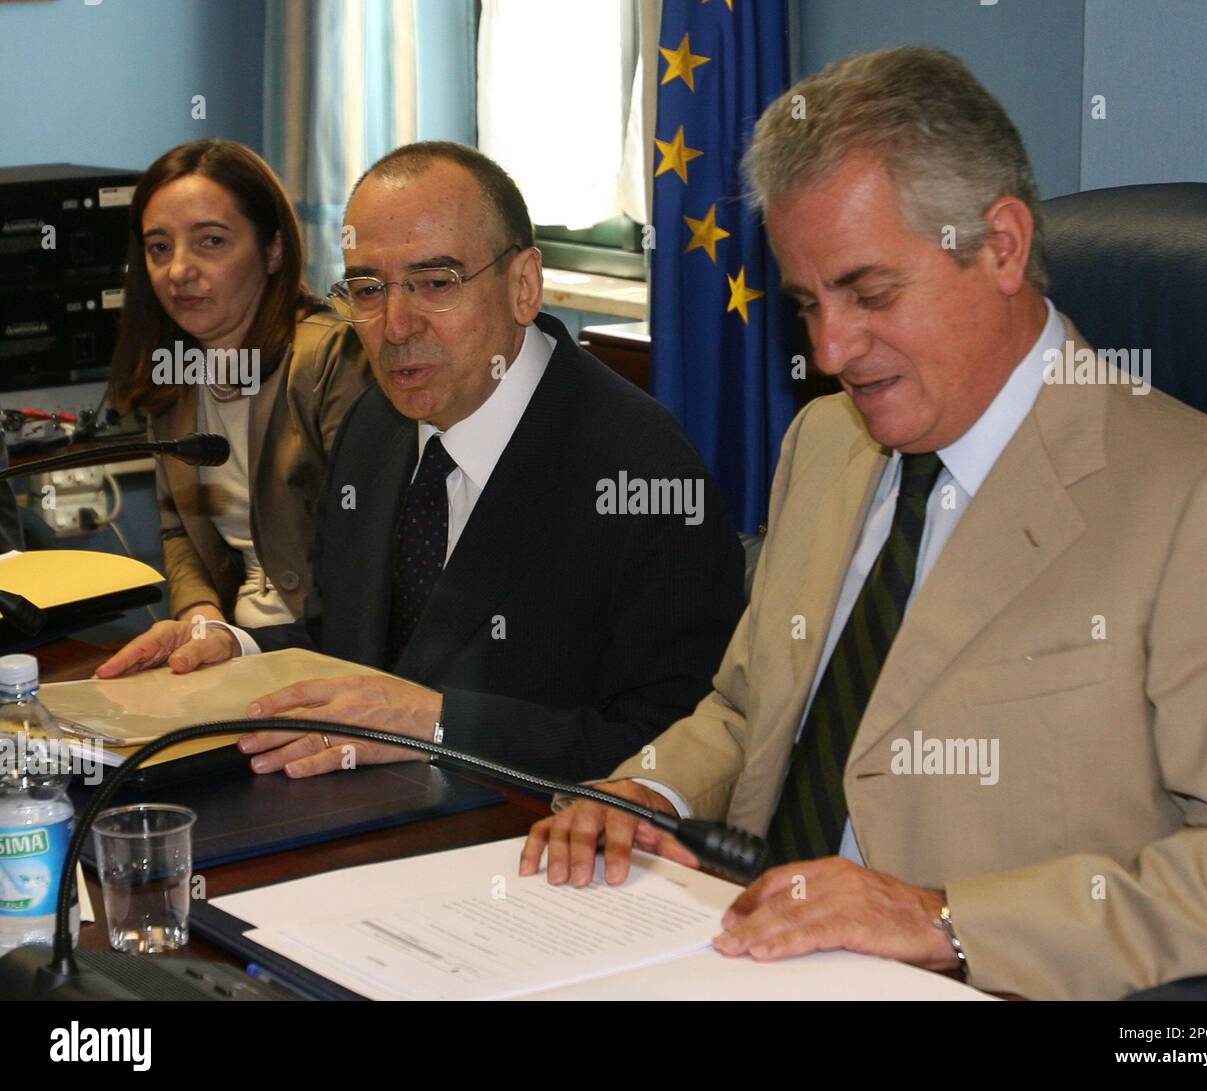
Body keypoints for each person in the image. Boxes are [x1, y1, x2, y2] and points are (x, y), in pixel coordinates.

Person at [521, 47, 1207, 1000]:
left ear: (1002, 245)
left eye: (870, 292)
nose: (830, 349)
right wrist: (649, 791)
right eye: (808, 303)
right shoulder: (823, 445)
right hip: (731, 954)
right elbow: (742, 707)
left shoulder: (1206, 501)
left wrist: (944, 920)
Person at [98, 141, 745, 782]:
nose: (396, 325)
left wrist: (440, 724)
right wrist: (232, 650)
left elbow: (670, 748)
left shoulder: (643, 471)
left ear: (524, 286)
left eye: (435, 283)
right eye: (368, 289)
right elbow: (351, 642)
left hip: (539, 849)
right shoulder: (379, 425)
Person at [98, 139, 371, 638]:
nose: (179, 270)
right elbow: (178, 528)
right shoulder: (175, 371)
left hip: (323, 642)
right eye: (160, 247)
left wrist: (246, 649)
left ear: (273, 250)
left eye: (211, 241)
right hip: (240, 641)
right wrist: (201, 620)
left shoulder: (330, 359)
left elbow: (366, 551)